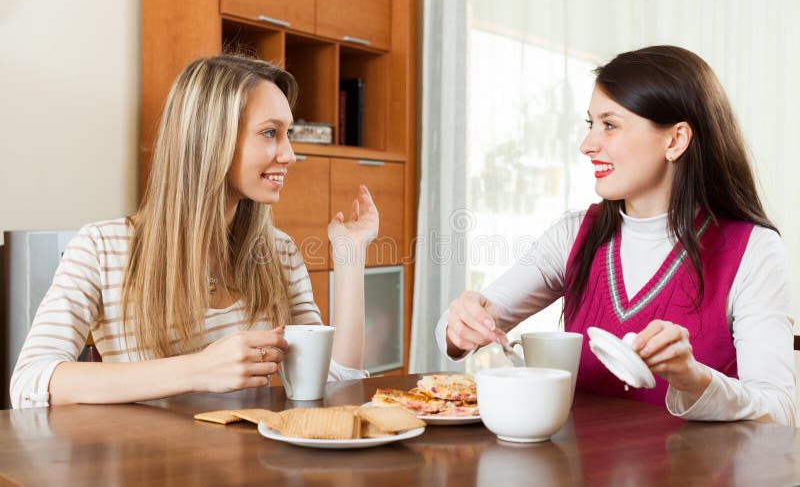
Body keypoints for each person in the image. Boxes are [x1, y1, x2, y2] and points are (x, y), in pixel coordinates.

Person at [437, 45, 796, 425]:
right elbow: (460, 324)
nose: (587, 144)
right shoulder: (574, 234)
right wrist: (460, 325)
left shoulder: (752, 249)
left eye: (609, 125)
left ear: (675, 141)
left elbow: (780, 409)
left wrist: (693, 379)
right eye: (590, 124)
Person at [11, 54, 379, 408]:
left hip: (251, 469)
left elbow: (338, 382)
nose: (289, 154)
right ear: (209, 140)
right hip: (150, 469)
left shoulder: (277, 253)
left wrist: (351, 254)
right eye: (270, 133)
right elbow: (30, 382)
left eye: (288, 134)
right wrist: (199, 370)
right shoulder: (102, 249)